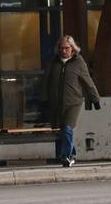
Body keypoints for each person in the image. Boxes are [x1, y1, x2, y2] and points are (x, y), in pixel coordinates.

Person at [41, 35, 100, 167]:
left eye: (66, 48)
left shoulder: (78, 62)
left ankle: (65, 156)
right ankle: (72, 155)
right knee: (63, 130)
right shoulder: (53, 63)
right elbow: (46, 82)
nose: (64, 50)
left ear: (72, 49)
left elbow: (88, 81)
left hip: (73, 103)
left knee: (67, 128)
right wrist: (44, 99)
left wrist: (95, 99)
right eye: (61, 48)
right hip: (57, 103)